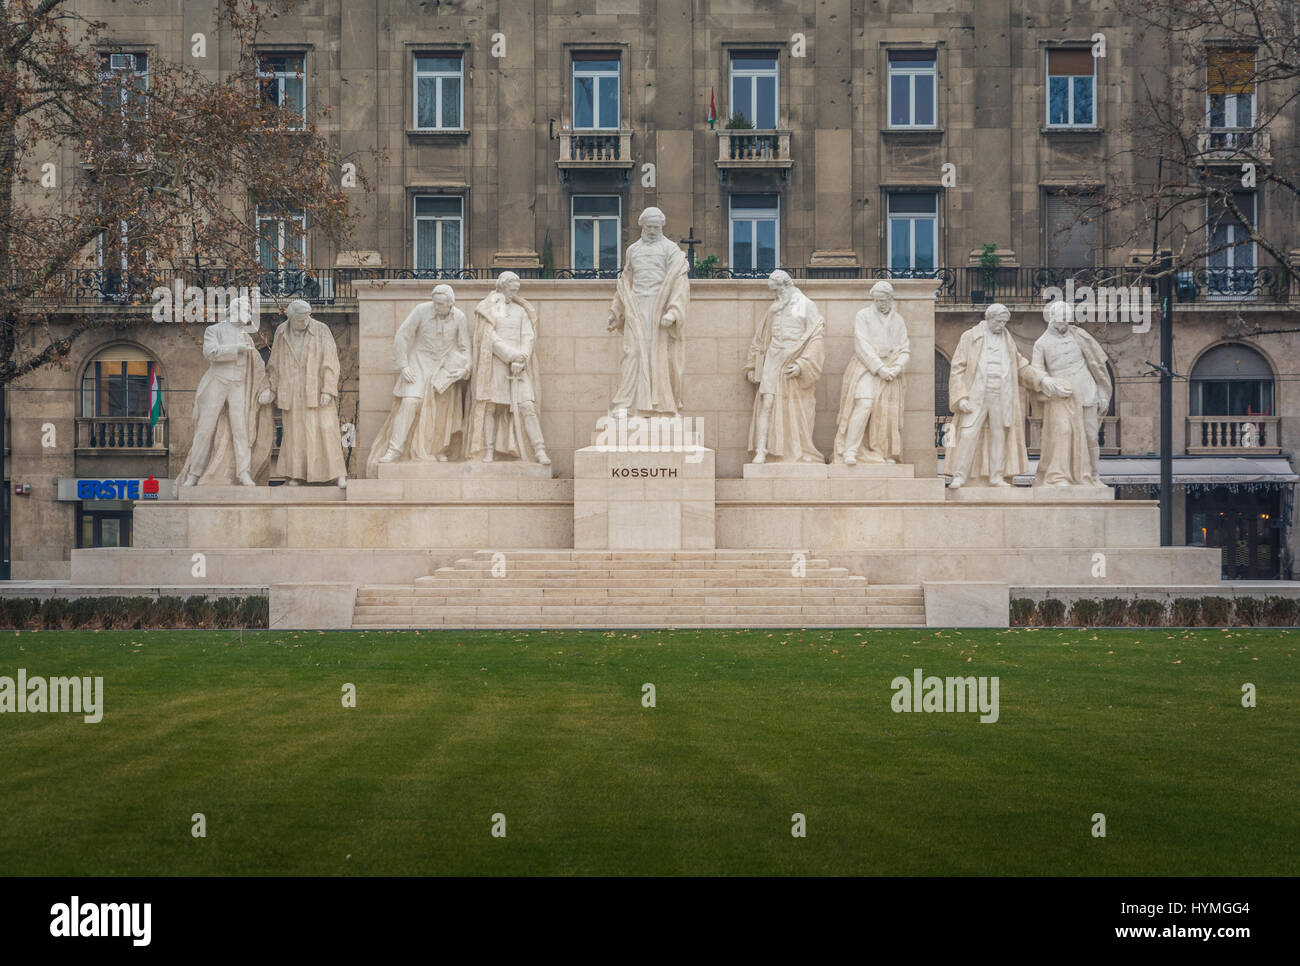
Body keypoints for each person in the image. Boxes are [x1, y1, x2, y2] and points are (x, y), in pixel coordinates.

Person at [947, 303, 1069, 488]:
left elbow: (1021, 366)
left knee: (999, 436)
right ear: (989, 318)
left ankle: (997, 476)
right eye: (998, 321)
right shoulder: (970, 337)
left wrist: (1043, 380)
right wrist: (961, 396)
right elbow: (957, 368)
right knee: (968, 433)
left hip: (1001, 395)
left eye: (1004, 322)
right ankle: (959, 476)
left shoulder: (1007, 340)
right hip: (976, 394)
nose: (1002, 325)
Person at [366, 284, 471, 473]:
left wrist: (464, 369)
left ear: (450, 304)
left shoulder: (460, 317)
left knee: (440, 409)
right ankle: (394, 450)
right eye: (435, 303)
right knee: (410, 402)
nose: (437, 307)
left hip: (443, 368)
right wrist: (404, 365)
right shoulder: (421, 310)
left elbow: (465, 348)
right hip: (419, 362)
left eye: (441, 304)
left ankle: (438, 449)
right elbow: (402, 336)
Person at [179, 295, 273, 486]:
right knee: (206, 429)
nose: (249, 315)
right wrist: (237, 348)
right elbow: (210, 353)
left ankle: (244, 473)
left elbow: (257, 365)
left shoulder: (246, 336)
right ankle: (194, 475)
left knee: (241, 430)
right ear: (235, 310)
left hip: (238, 386)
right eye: (247, 311)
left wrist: (265, 387)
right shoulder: (214, 330)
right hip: (217, 383)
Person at [606, 207, 690, 417]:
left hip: (658, 309)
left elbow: (680, 281)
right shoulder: (633, 250)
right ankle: (624, 404)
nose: (652, 230)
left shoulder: (671, 250)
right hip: (635, 307)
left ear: (662, 226)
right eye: (648, 226)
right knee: (632, 353)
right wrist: (616, 313)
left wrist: (673, 312)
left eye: (656, 226)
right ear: (642, 226)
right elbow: (626, 282)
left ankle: (661, 406)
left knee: (658, 356)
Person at [260, 299, 348, 487]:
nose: (305, 321)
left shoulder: (321, 330)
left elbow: (330, 361)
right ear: (290, 317)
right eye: (300, 318)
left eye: (307, 317)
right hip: (291, 391)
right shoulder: (282, 332)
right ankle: (296, 475)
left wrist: (328, 388)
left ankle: (337, 474)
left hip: (316, 389)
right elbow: (274, 363)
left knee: (326, 430)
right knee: (295, 435)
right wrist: (272, 388)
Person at [465, 272, 549, 465]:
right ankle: (489, 450)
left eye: (516, 290)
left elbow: (528, 336)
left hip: (520, 366)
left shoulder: (521, 311)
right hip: (495, 364)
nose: (514, 293)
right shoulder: (488, 309)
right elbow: (488, 337)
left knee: (527, 405)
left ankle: (539, 450)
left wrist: (522, 358)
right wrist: (511, 356)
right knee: (491, 407)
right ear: (502, 286)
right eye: (512, 289)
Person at [743, 270, 825, 463]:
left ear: (786, 285)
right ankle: (761, 449)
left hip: (794, 359)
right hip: (773, 357)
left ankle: (799, 448)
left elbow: (816, 336)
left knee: (795, 405)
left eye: (777, 291)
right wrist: (752, 365)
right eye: (773, 292)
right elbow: (761, 338)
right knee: (767, 402)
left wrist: (802, 364)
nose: (775, 295)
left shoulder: (806, 305)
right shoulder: (774, 307)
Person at [1032, 300, 1112, 487]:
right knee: (1064, 435)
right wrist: (1047, 382)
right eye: (1062, 320)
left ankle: (1093, 476)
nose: (1065, 324)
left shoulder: (1080, 335)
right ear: (1052, 318)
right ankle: (1062, 476)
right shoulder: (1041, 344)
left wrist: (1102, 391)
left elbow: (1097, 365)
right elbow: (1036, 372)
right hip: (1062, 398)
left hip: (1087, 391)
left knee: (1091, 436)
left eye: (1068, 320)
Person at [832, 280, 910, 465]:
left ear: (891, 299)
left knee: (884, 412)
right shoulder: (863, 315)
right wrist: (879, 368)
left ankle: (881, 453)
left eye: (883, 300)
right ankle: (850, 451)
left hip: (891, 369)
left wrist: (897, 367)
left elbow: (905, 348)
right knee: (864, 403)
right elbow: (861, 344)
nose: (880, 304)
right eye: (876, 300)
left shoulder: (898, 320)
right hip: (866, 368)